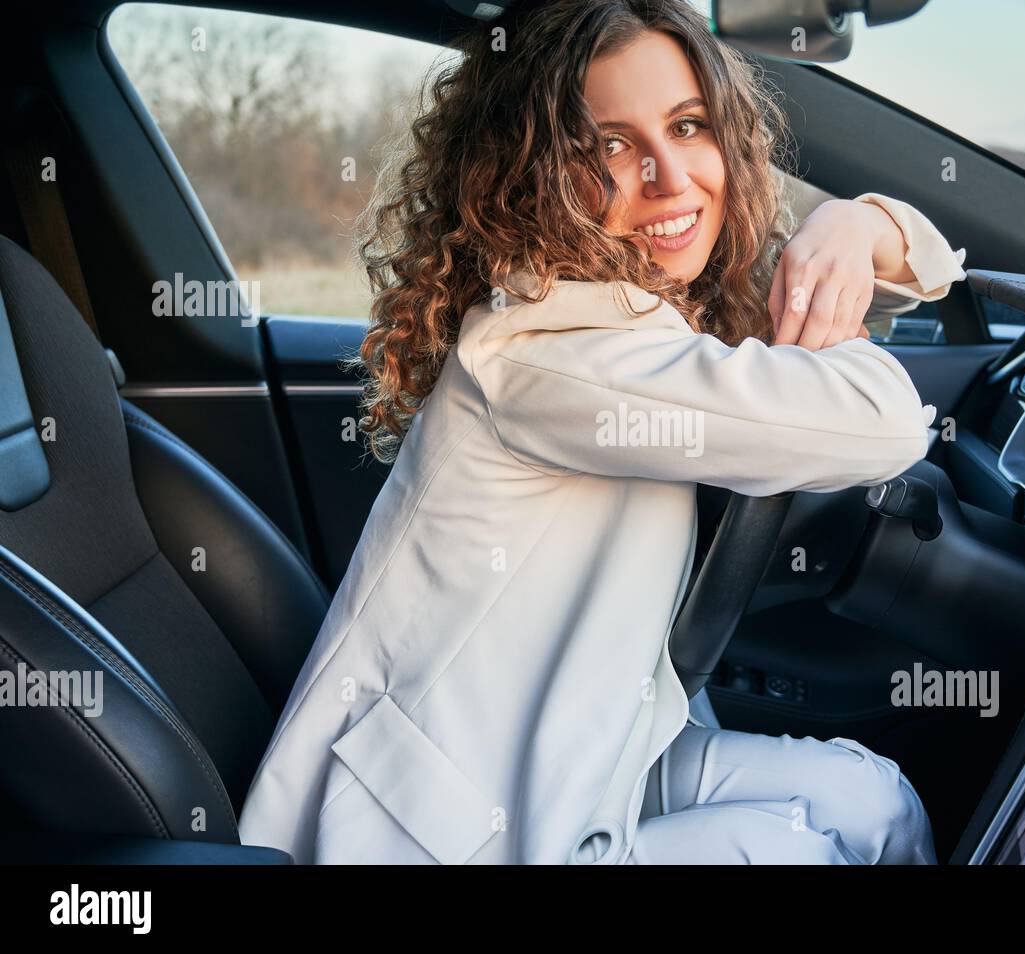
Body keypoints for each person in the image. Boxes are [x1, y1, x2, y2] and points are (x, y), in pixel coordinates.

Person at [237, 0, 966, 865]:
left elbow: (926, 265)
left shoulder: (644, 315)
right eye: (610, 146)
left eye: (688, 125)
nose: (667, 176)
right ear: (531, 177)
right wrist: (835, 263)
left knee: (875, 801)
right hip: (447, 831)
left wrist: (855, 223)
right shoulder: (550, 354)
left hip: (582, 754)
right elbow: (879, 426)